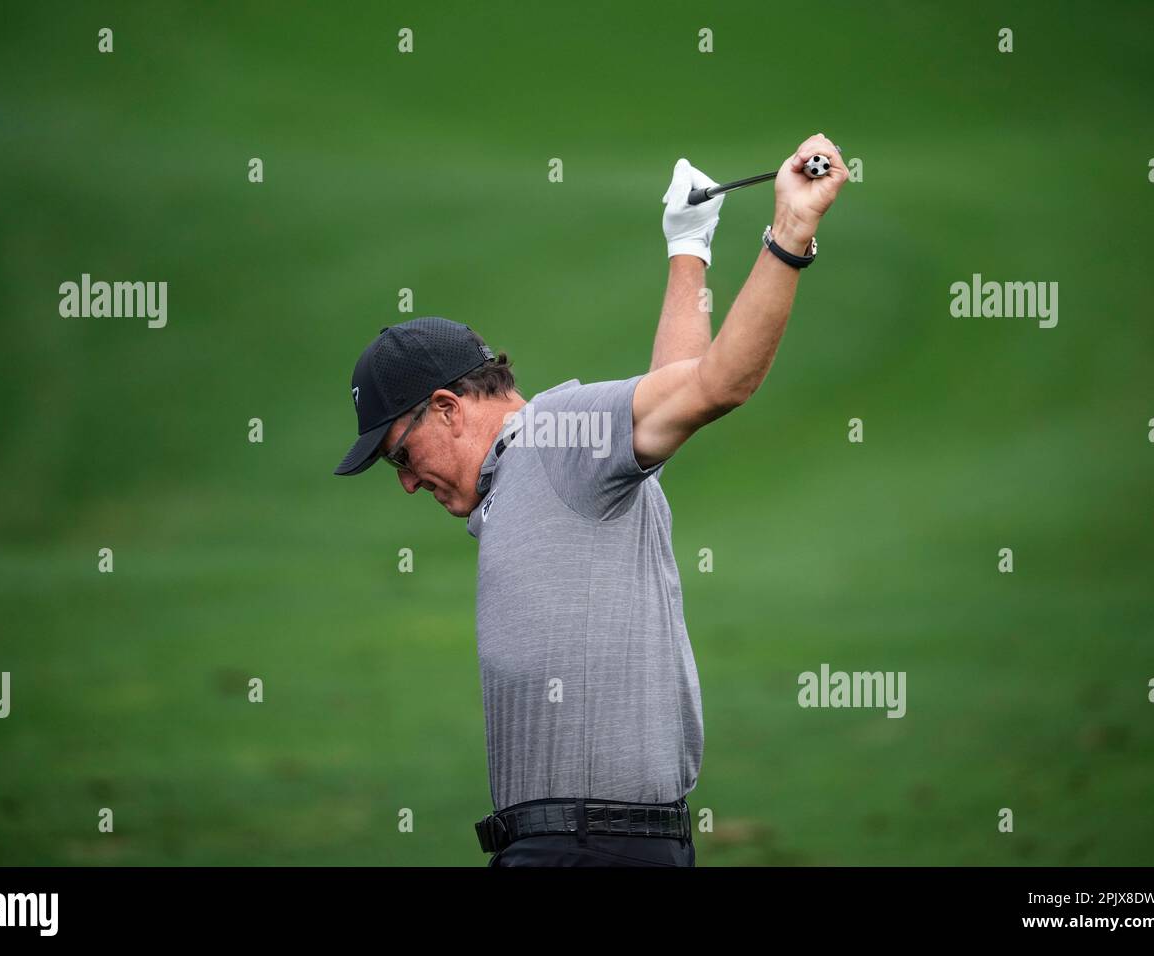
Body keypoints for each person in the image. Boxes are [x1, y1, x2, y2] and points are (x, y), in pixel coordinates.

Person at [334, 134, 847, 866]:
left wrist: (790, 234)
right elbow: (682, 388)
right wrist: (689, 247)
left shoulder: (551, 439)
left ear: (447, 408)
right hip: (579, 848)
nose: (408, 482)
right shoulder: (552, 467)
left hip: (589, 851)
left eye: (402, 457)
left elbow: (718, 386)